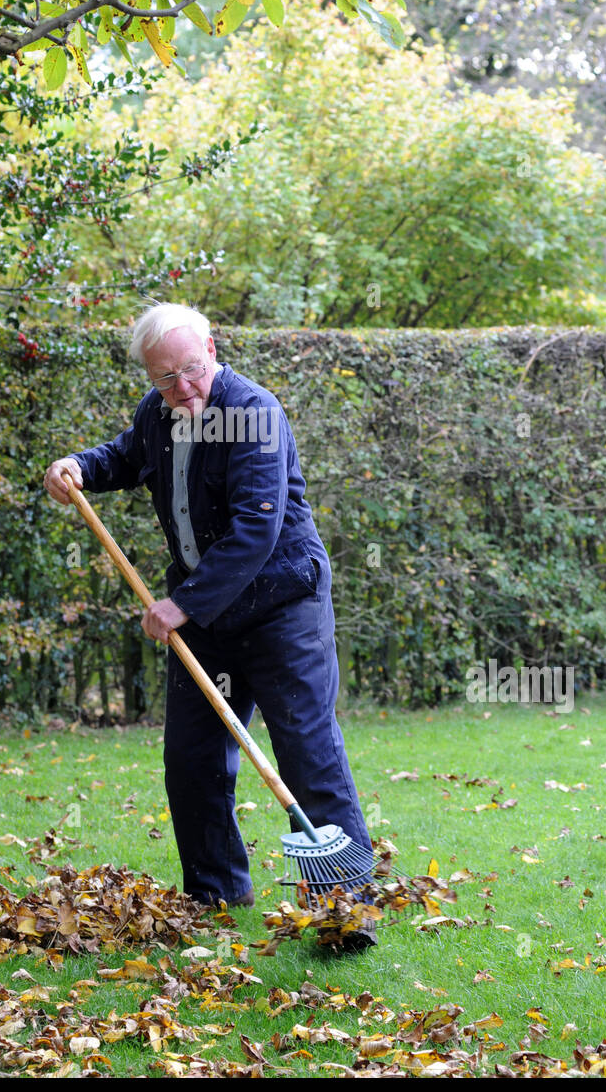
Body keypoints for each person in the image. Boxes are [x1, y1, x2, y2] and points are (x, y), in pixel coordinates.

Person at [43, 302, 377, 948]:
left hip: (283, 607)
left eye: (190, 371)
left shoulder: (252, 414)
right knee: (192, 758)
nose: (182, 388)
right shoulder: (158, 413)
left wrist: (180, 606)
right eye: (164, 378)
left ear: (212, 350)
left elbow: (256, 529)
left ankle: (346, 909)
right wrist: (80, 466)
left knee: (306, 750)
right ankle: (216, 891)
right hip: (205, 615)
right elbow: (124, 454)